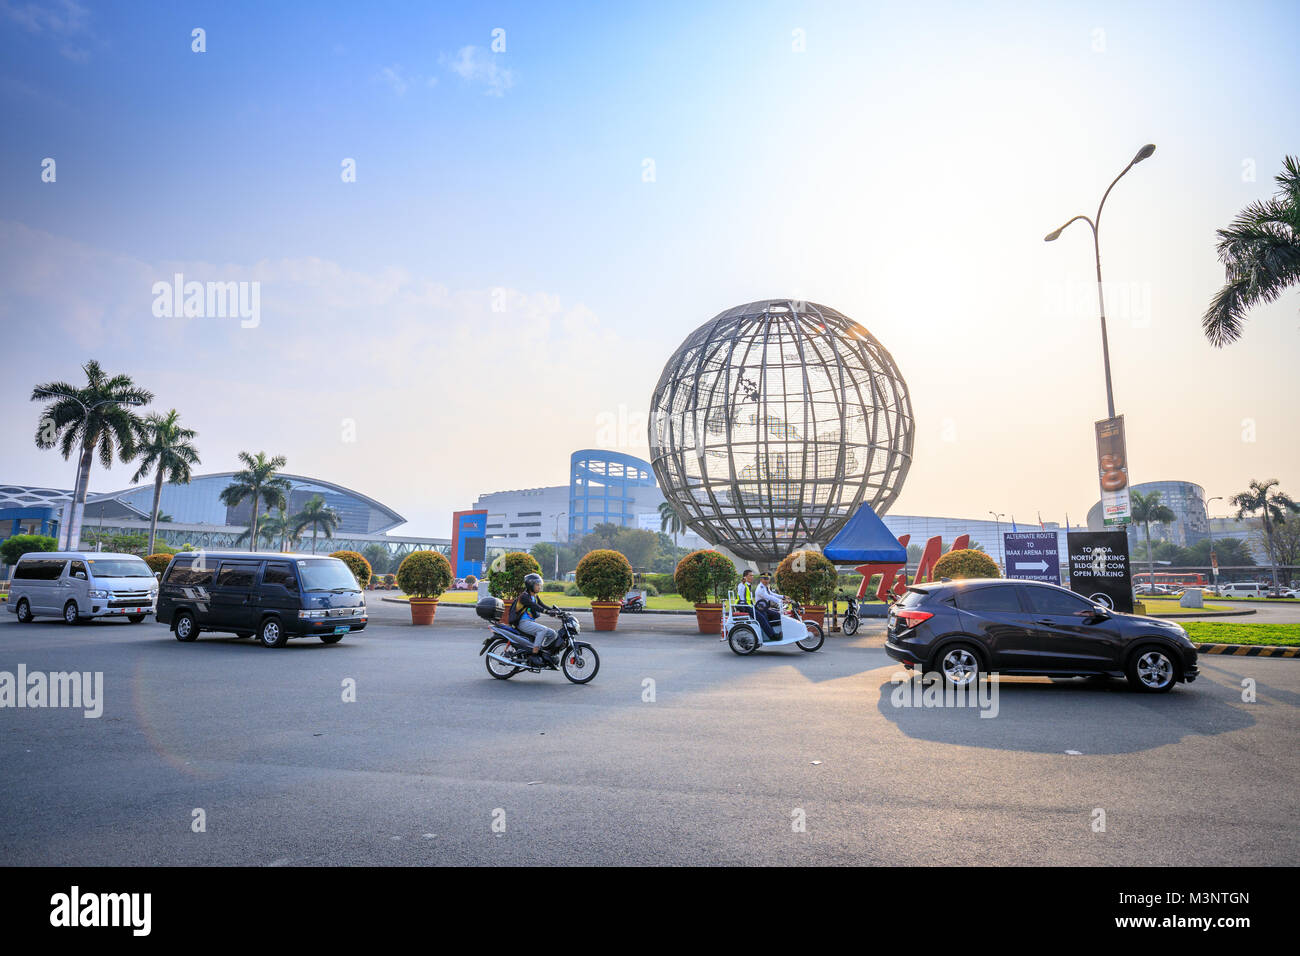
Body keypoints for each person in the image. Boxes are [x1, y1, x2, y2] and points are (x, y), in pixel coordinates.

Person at [510, 572, 559, 665]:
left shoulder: (535, 596)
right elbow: (535, 606)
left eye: (540, 585)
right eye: (537, 585)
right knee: (542, 630)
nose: (539, 587)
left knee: (552, 634)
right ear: (530, 585)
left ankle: (543, 652)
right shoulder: (524, 596)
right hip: (522, 623)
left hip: (529, 622)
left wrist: (556, 611)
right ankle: (534, 654)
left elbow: (542, 605)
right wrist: (546, 612)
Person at [730, 568, 759, 642]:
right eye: (750, 575)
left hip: (748, 606)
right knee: (761, 617)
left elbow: (750, 599)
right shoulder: (742, 585)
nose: (752, 577)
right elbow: (740, 593)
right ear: (746, 577)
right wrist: (743, 582)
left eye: (753, 575)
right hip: (743, 607)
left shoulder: (748, 586)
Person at [755, 571, 785, 641]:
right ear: (761, 579)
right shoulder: (760, 588)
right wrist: (781, 601)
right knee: (765, 620)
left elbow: (772, 594)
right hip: (760, 609)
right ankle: (771, 634)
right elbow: (769, 597)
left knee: (777, 615)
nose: (767, 581)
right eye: (765, 579)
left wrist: (783, 596)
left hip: (765, 608)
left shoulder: (765, 587)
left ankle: (774, 630)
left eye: (768, 579)